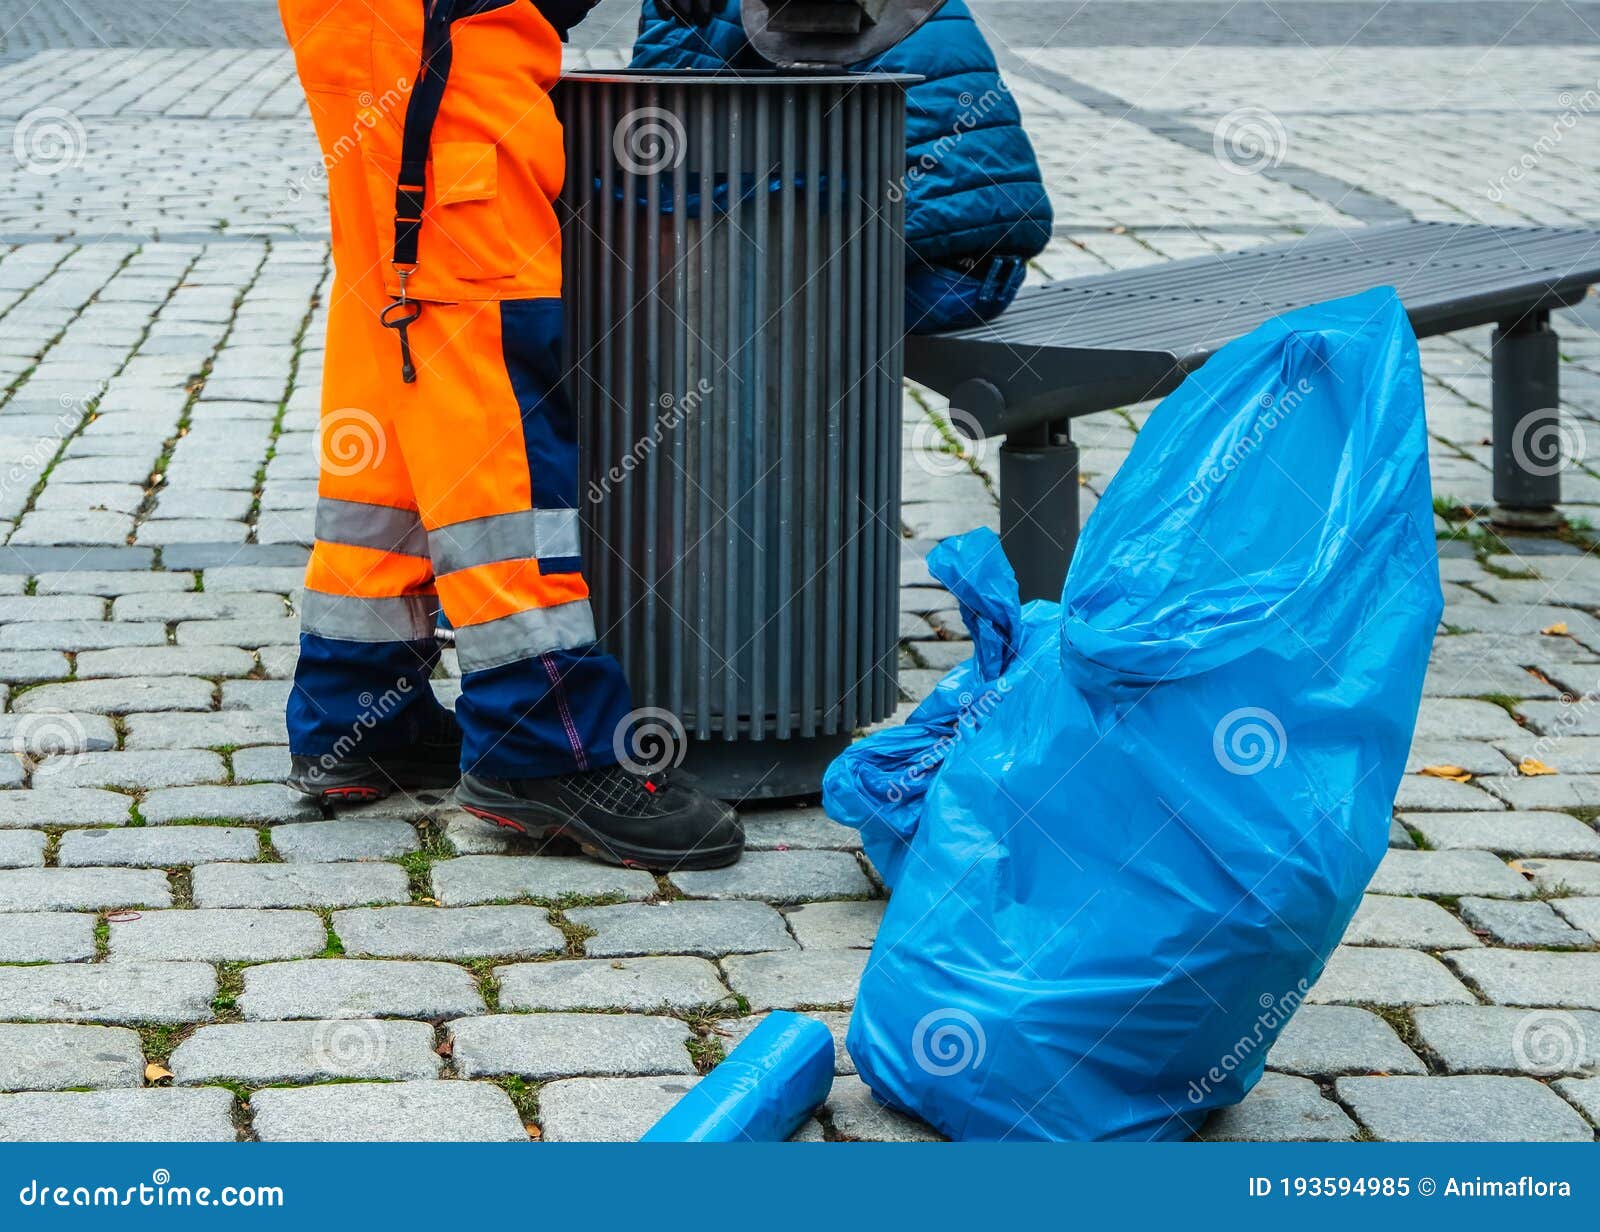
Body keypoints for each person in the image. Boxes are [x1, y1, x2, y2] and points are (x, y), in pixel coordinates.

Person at [276, 0, 743, 872]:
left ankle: (358, 709)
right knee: (483, 361)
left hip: (406, 34)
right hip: (439, 36)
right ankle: (546, 741)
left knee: (400, 346)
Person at [639, 0, 1055, 333]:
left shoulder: (699, 8)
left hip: (913, 282)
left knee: (662, 304)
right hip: (987, 274)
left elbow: (658, 158)